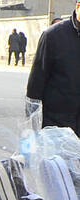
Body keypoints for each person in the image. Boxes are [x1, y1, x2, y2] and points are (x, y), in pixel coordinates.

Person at [27, 4, 80, 134]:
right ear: (78, 6)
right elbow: (36, 82)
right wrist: (33, 126)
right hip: (58, 124)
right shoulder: (53, 36)